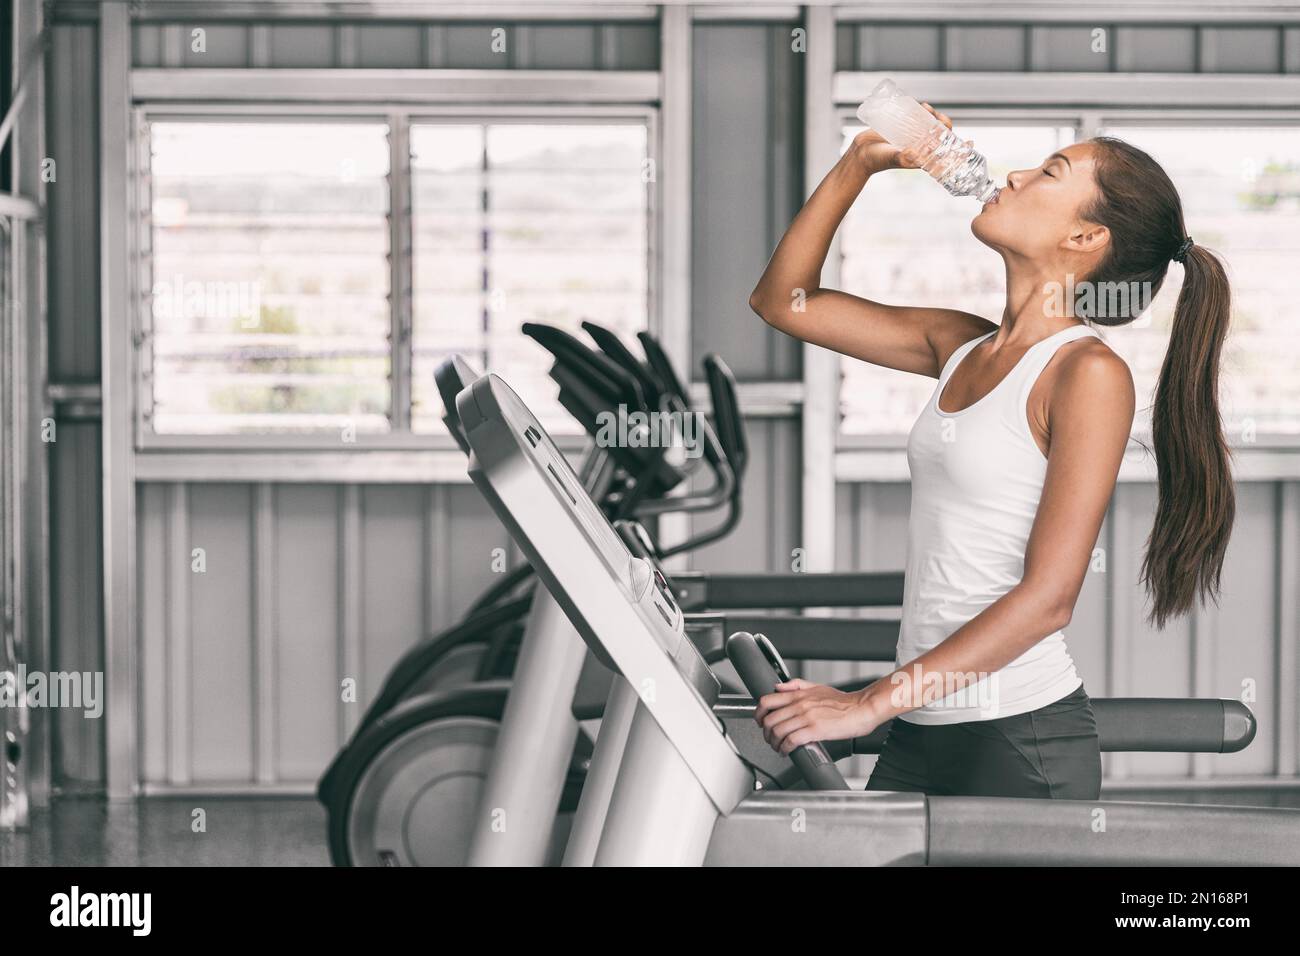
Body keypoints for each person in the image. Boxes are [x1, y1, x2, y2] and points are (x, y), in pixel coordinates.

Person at [748, 105, 1235, 799]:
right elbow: (783, 302)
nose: (1014, 174)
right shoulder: (960, 345)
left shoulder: (1086, 374)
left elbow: (1047, 600)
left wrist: (869, 704)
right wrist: (856, 164)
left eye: (1049, 173)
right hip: (920, 727)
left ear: (1084, 235)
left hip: (1019, 740)